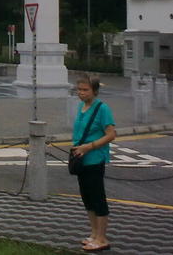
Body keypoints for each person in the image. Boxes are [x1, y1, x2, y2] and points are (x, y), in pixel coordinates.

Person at [71, 75, 117, 253]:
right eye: (79, 90)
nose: (81, 93)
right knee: (87, 197)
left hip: (95, 158)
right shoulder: (81, 107)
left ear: (95, 91)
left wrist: (90, 146)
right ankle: (94, 233)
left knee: (97, 198)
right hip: (81, 159)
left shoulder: (102, 109)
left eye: (85, 90)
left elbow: (111, 134)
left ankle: (102, 237)